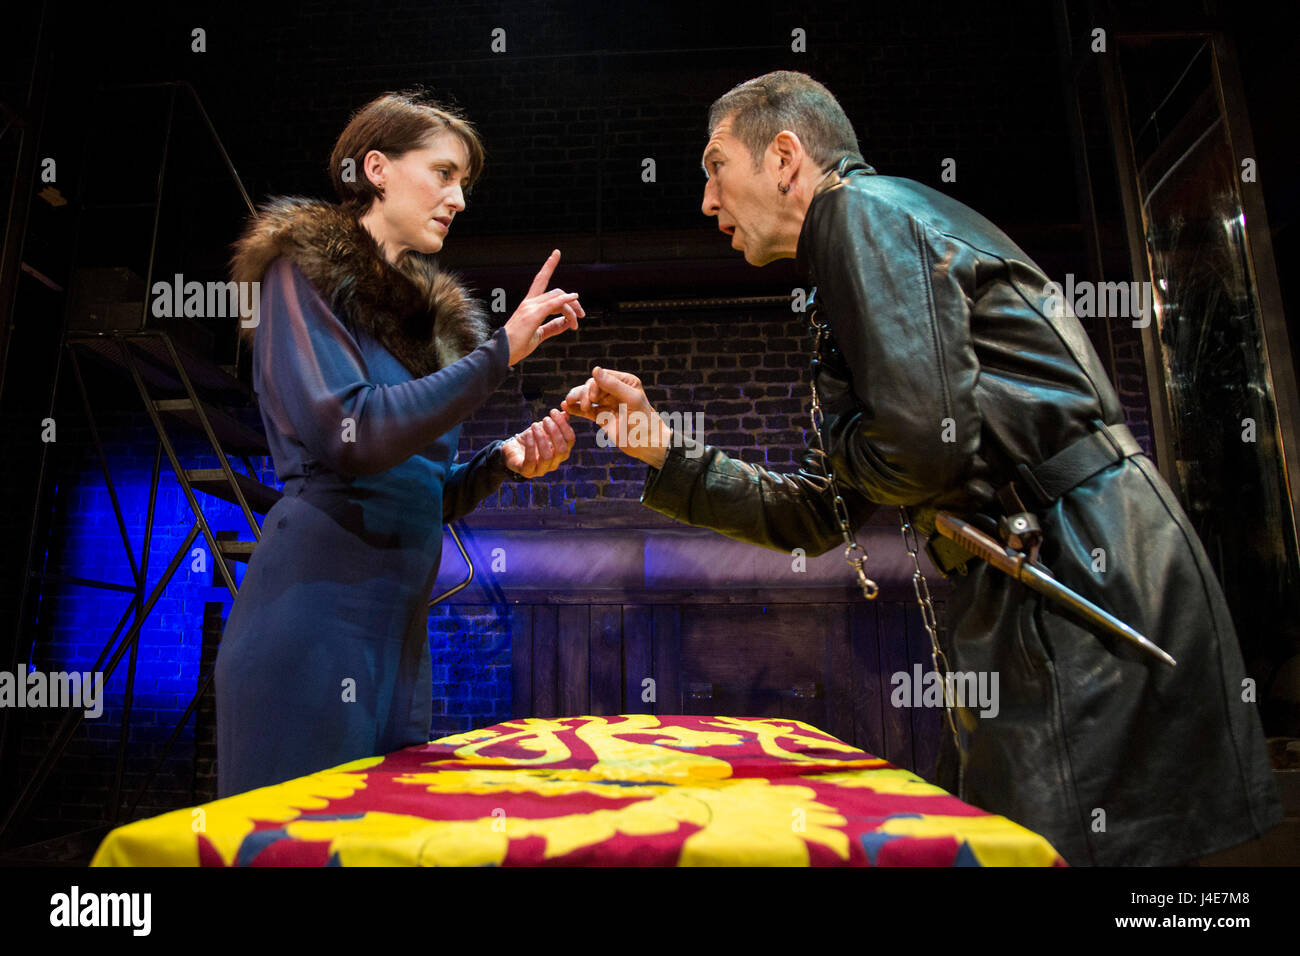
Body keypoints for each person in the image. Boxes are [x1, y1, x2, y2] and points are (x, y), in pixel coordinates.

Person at [563, 71, 1283, 866]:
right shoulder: (862, 235)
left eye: (715, 165)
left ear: (784, 156)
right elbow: (816, 511)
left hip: (1074, 571)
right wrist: (661, 446)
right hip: (1043, 568)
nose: (706, 200)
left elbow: (920, 451)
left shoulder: (860, 214)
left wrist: (858, 455)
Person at [215, 91, 582, 797]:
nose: (459, 198)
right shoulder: (298, 274)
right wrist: (500, 353)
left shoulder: (429, 335)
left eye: (464, 183)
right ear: (376, 168)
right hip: (312, 629)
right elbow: (352, 435)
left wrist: (502, 462)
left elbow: (415, 490)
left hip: (396, 646)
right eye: (443, 173)